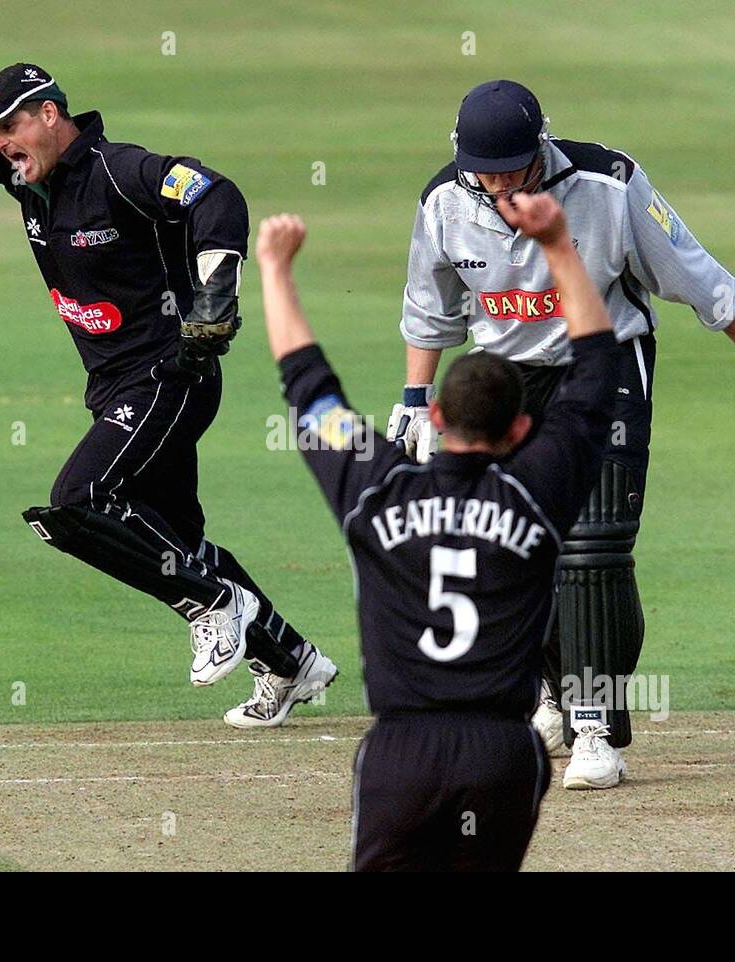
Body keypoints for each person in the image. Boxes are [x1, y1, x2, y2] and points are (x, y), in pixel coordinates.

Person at [0, 63, 337, 725]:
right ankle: (291, 662)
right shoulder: (25, 177)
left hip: (172, 376)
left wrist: (216, 294)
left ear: (51, 115)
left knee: (81, 500)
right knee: (174, 542)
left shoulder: (117, 170)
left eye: (10, 126)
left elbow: (215, 195)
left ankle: (217, 605)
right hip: (114, 389)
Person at [388, 80, 735, 788]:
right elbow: (429, 307)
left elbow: (690, 270)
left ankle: (595, 729)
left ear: (541, 148)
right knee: (514, 542)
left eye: (511, 168)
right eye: (482, 169)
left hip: (605, 361)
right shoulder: (443, 200)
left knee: (594, 547)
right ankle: (553, 692)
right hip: (503, 375)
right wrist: (413, 398)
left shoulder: (608, 182)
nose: (496, 183)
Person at [256, 191, 616, 871]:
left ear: (439, 416)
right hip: (504, 753)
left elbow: (312, 392)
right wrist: (560, 244)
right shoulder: (539, 492)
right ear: (519, 429)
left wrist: (275, 269)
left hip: (403, 755)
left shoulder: (376, 489)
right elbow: (598, 371)